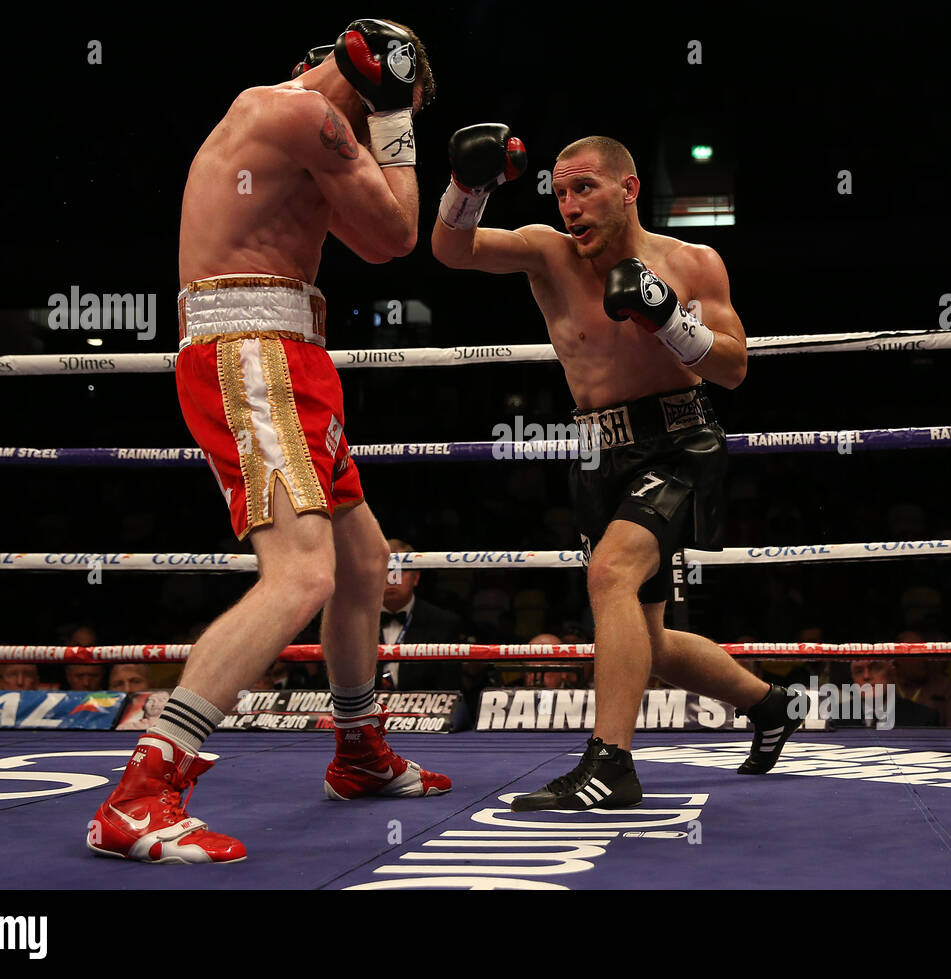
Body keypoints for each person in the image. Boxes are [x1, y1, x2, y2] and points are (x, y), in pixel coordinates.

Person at [89, 20, 448, 865]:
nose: (387, 135)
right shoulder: (296, 114)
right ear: (376, 85)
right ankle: (142, 791)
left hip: (287, 351)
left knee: (362, 565)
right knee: (304, 571)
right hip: (252, 346)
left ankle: (359, 752)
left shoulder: (312, 140)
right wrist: (398, 117)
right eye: (394, 111)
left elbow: (377, 238)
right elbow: (400, 232)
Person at [432, 129, 805, 810]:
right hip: (599, 454)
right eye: (560, 191)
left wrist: (667, 317)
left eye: (584, 188)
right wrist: (469, 186)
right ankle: (771, 704)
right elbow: (453, 249)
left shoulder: (693, 261)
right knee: (652, 643)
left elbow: (734, 367)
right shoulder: (548, 252)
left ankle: (611, 766)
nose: (568, 204)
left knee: (610, 573)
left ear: (629, 189)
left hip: (681, 441)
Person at [378, 538, 464, 690]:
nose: (392, 579)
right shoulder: (353, 624)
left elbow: (449, 688)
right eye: (386, 571)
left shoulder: (442, 623)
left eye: (400, 570)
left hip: (424, 711)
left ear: (416, 578)